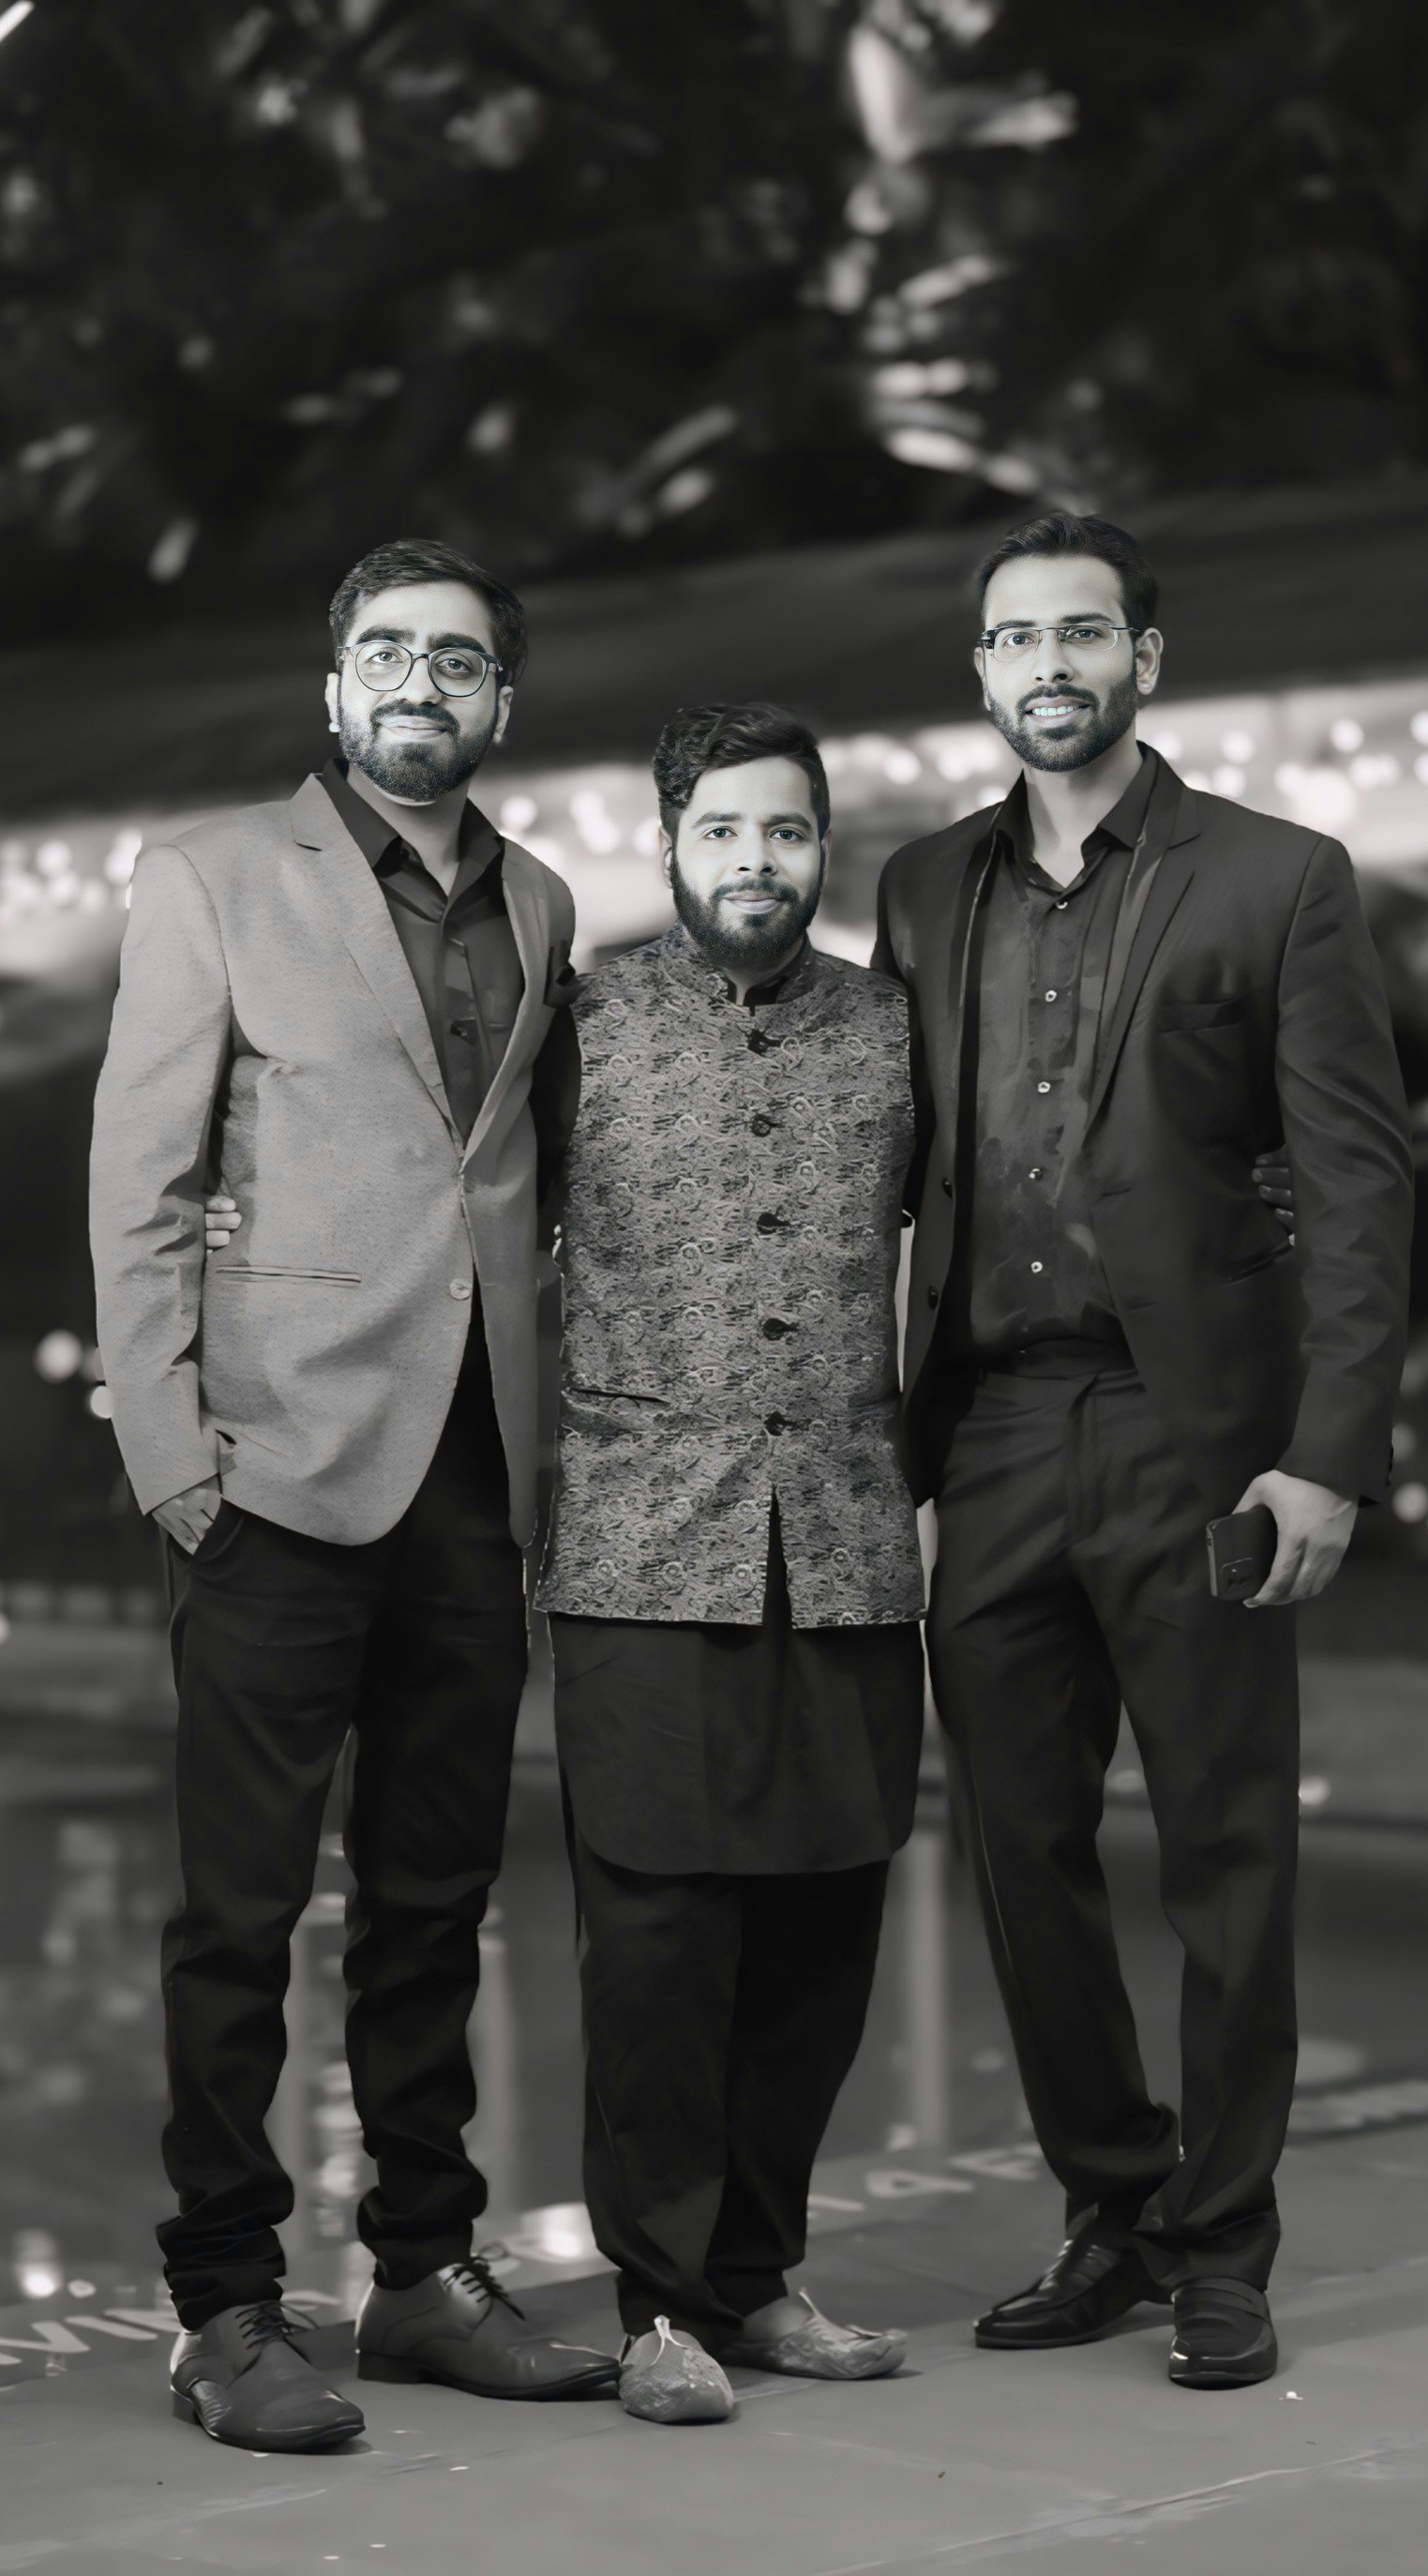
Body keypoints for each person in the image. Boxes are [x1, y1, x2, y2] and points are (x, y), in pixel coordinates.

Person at [874, 512, 1413, 2390]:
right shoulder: (922, 892)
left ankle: (1222, 2248)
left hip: (1195, 1439)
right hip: (993, 1425)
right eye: (1011, 638)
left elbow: (1355, 1186)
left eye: (1079, 634)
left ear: (1142, 662)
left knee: (1223, 1855)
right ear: (982, 672)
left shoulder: (1276, 879)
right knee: (1017, 1850)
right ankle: (1109, 2205)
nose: (1045, 666)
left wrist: (1324, 1454)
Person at [88, 537, 615, 2453]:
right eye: (385, 653)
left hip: (478, 1478)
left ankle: (419, 2274)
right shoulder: (213, 876)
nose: (421, 683)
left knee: (432, 1903)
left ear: (498, 704)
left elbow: (520, 1194)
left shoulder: (544, 903)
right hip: (275, 1481)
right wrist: (173, 1464)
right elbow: (137, 1184)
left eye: (457, 660)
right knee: (236, 1918)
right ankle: (223, 2308)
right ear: (334, 693)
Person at [531, 702, 924, 2423]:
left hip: (845, 1544)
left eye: (783, 832)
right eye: (722, 832)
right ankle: (659, 2308)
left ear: (815, 846)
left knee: (824, 1936)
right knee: (660, 1946)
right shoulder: (585, 1025)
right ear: (671, 842)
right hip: (639, 1546)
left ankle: (762, 2282)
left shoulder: (893, 1032)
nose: (754, 862)